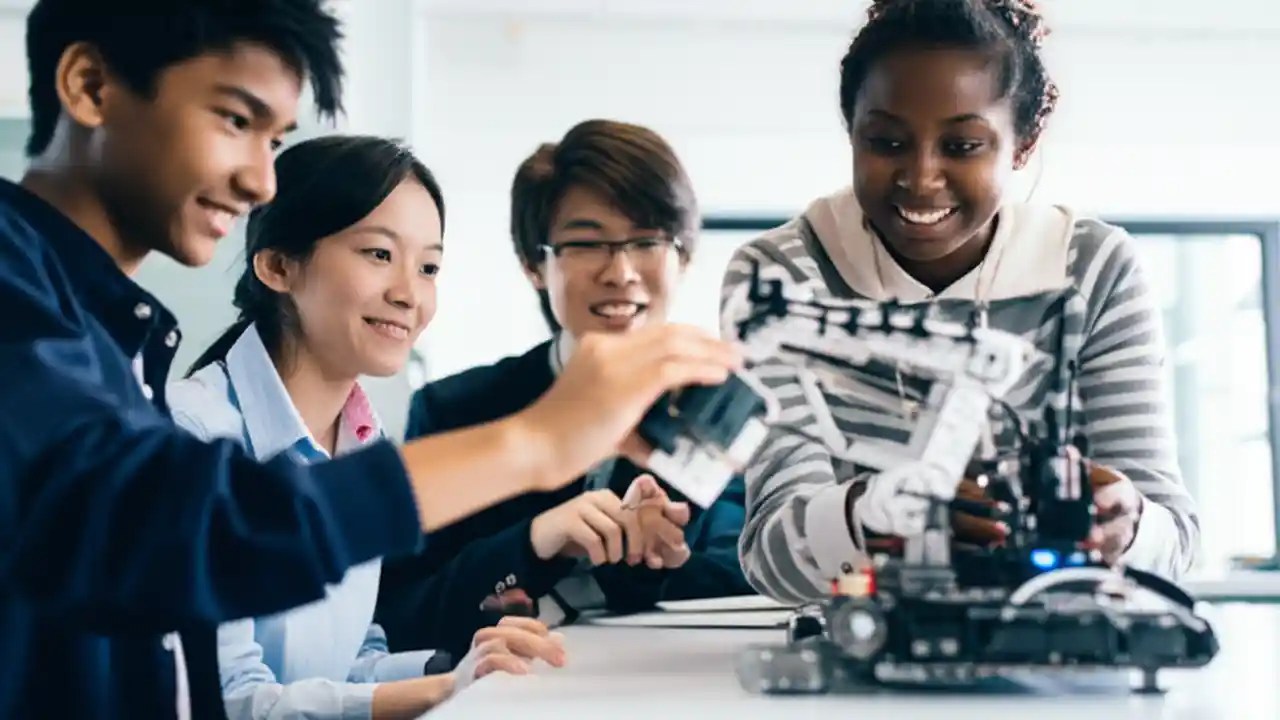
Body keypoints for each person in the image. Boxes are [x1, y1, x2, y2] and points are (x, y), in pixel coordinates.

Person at [0, 2, 739, 717]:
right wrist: (535, 443)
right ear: (89, 85)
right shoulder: (23, 294)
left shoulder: (116, 344)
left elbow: (316, 646)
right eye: (235, 120)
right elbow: (196, 536)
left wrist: (457, 671)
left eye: (275, 140)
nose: (261, 181)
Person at [720, 0, 1197, 604]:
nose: (921, 178)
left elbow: (1174, 543)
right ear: (852, 131)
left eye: (964, 145)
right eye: (887, 141)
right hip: (864, 654)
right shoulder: (780, 279)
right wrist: (874, 514)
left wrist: (1126, 524)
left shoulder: (1094, 270)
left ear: (1022, 145)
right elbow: (771, 559)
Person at [167, 135, 567, 720]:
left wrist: (457, 667)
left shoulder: (362, 443)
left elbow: (348, 662)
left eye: (428, 267)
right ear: (278, 265)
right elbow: (226, 701)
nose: (409, 294)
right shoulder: (193, 435)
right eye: (379, 254)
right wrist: (439, 691)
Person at [377, 119, 755, 662]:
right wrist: (533, 543)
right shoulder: (455, 409)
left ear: (684, 257)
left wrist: (639, 564)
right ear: (535, 264)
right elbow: (401, 614)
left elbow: (747, 571)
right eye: (587, 243)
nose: (621, 272)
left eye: (647, 241)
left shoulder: (718, 403)